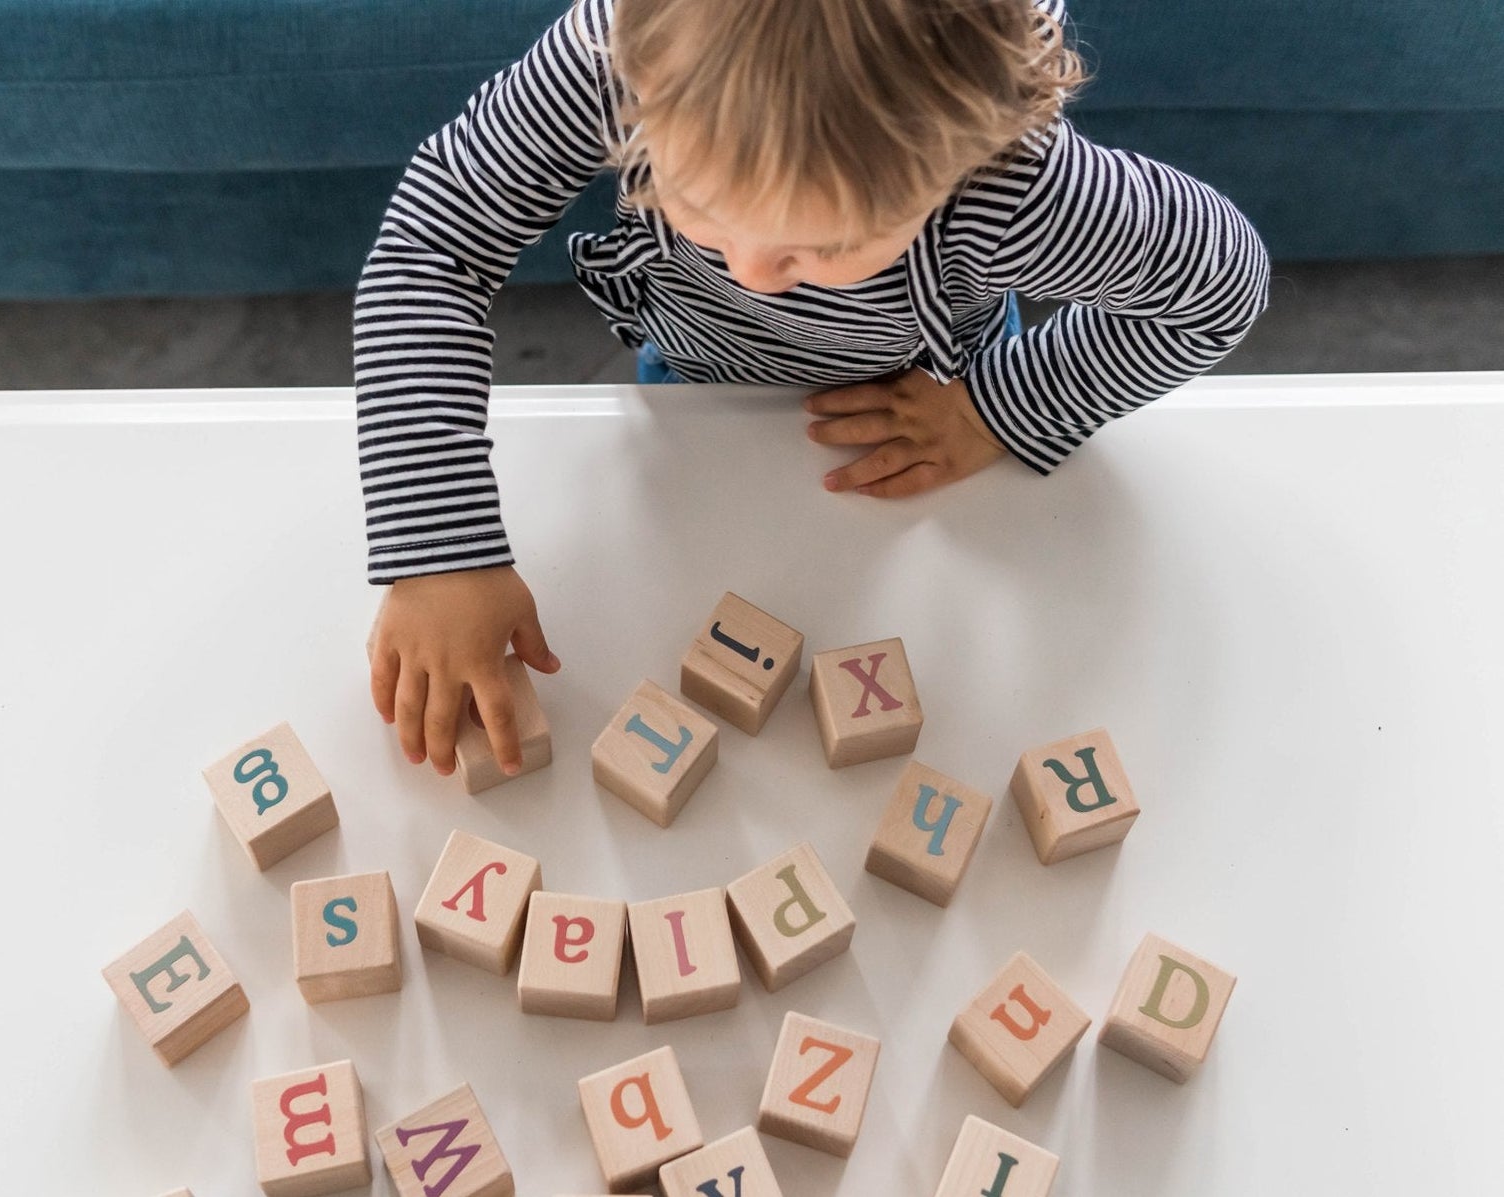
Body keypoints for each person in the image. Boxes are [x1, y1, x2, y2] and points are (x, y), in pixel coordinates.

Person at [355, 0, 1270, 778]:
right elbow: (434, 244)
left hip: (937, 387)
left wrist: (1000, 405)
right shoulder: (624, 48)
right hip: (697, 372)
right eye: (698, 204)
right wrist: (439, 550)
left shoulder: (1013, 183)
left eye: (822, 246)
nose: (751, 268)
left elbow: (1220, 285)